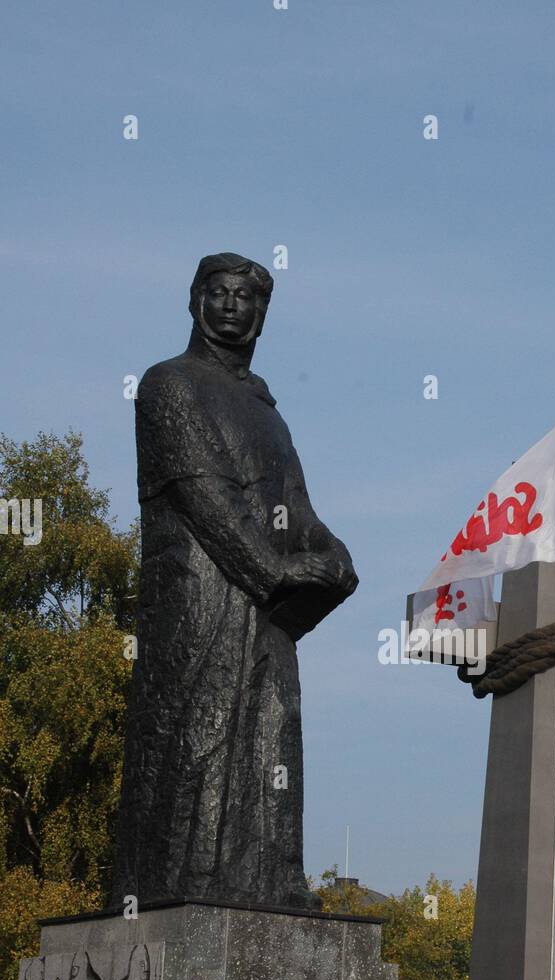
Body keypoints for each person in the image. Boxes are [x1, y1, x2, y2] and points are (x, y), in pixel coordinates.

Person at [111, 253, 357, 912]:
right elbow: (201, 493)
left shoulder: (267, 413)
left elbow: (294, 508)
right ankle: (176, 892)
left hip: (266, 611)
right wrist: (271, 570)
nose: (230, 305)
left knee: (276, 735)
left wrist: (331, 554)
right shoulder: (169, 385)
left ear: (261, 314)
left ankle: (276, 883)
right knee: (197, 737)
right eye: (217, 292)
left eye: (245, 297)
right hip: (198, 597)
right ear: (195, 300)